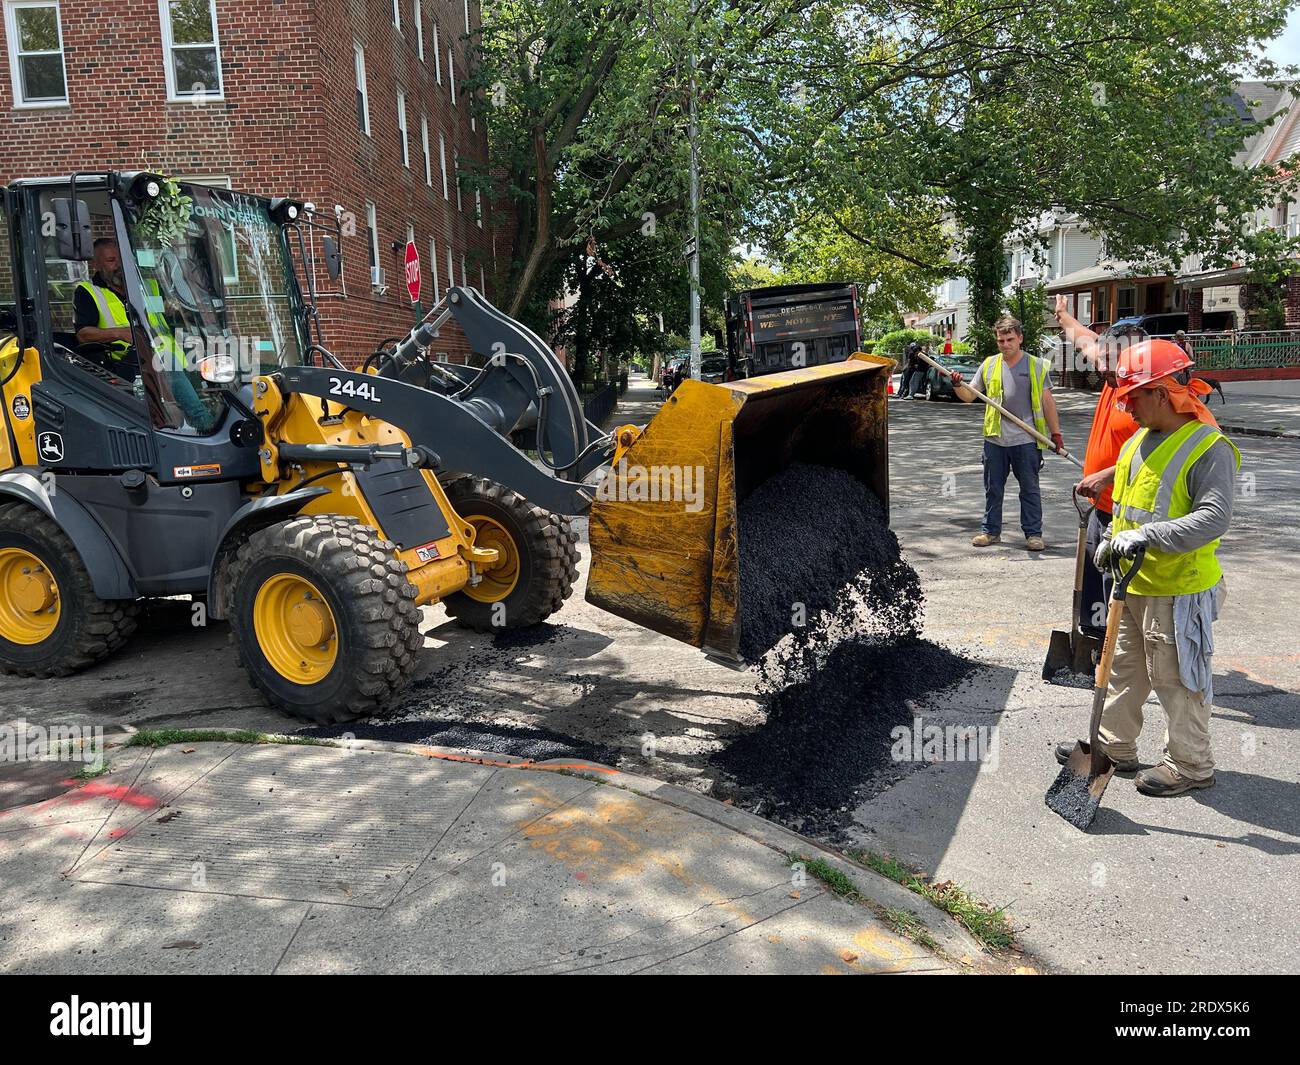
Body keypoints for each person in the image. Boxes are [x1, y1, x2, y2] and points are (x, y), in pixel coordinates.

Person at [1054, 339, 1239, 796]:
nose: (1125, 403)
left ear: (1161, 392)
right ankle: (1116, 747)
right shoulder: (1140, 437)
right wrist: (1115, 535)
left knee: (1177, 678)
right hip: (1133, 582)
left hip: (1179, 588)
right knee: (1123, 668)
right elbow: (1135, 500)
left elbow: (1213, 518)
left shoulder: (1207, 447)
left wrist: (1144, 536)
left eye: (1133, 394)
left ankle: (1191, 765)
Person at [1054, 297, 1147, 637]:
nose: (1101, 365)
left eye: (1111, 359)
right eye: (1103, 355)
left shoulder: (1147, 400)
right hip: (1099, 508)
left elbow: (1156, 456)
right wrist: (1064, 315)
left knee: (1117, 588)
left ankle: (1119, 652)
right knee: (1092, 586)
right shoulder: (1111, 376)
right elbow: (1083, 339)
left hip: (1128, 515)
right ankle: (1095, 644)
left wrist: (1107, 475)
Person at [948, 315, 1065, 551]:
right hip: (995, 439)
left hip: (1026, 440)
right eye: (1001, 340)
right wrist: (957, 385)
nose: (1005, 344)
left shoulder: (1035, 365)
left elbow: (1047, 400)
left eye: (1010, 339)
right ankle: (990, 531)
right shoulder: (990, 364)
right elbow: (970, 397)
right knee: (993, 489)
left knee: (1030, 489)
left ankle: (1033, 534)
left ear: (1020, 338)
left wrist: (1056, 434)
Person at [74, 238, 140, 379]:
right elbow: (83, 334)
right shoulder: (88, 291)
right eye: (111, 261)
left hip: (169, 359)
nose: (119, 265)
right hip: (126, 365)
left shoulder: (144, 286)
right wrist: (121, 333)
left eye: (121, 259)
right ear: (96, 265)